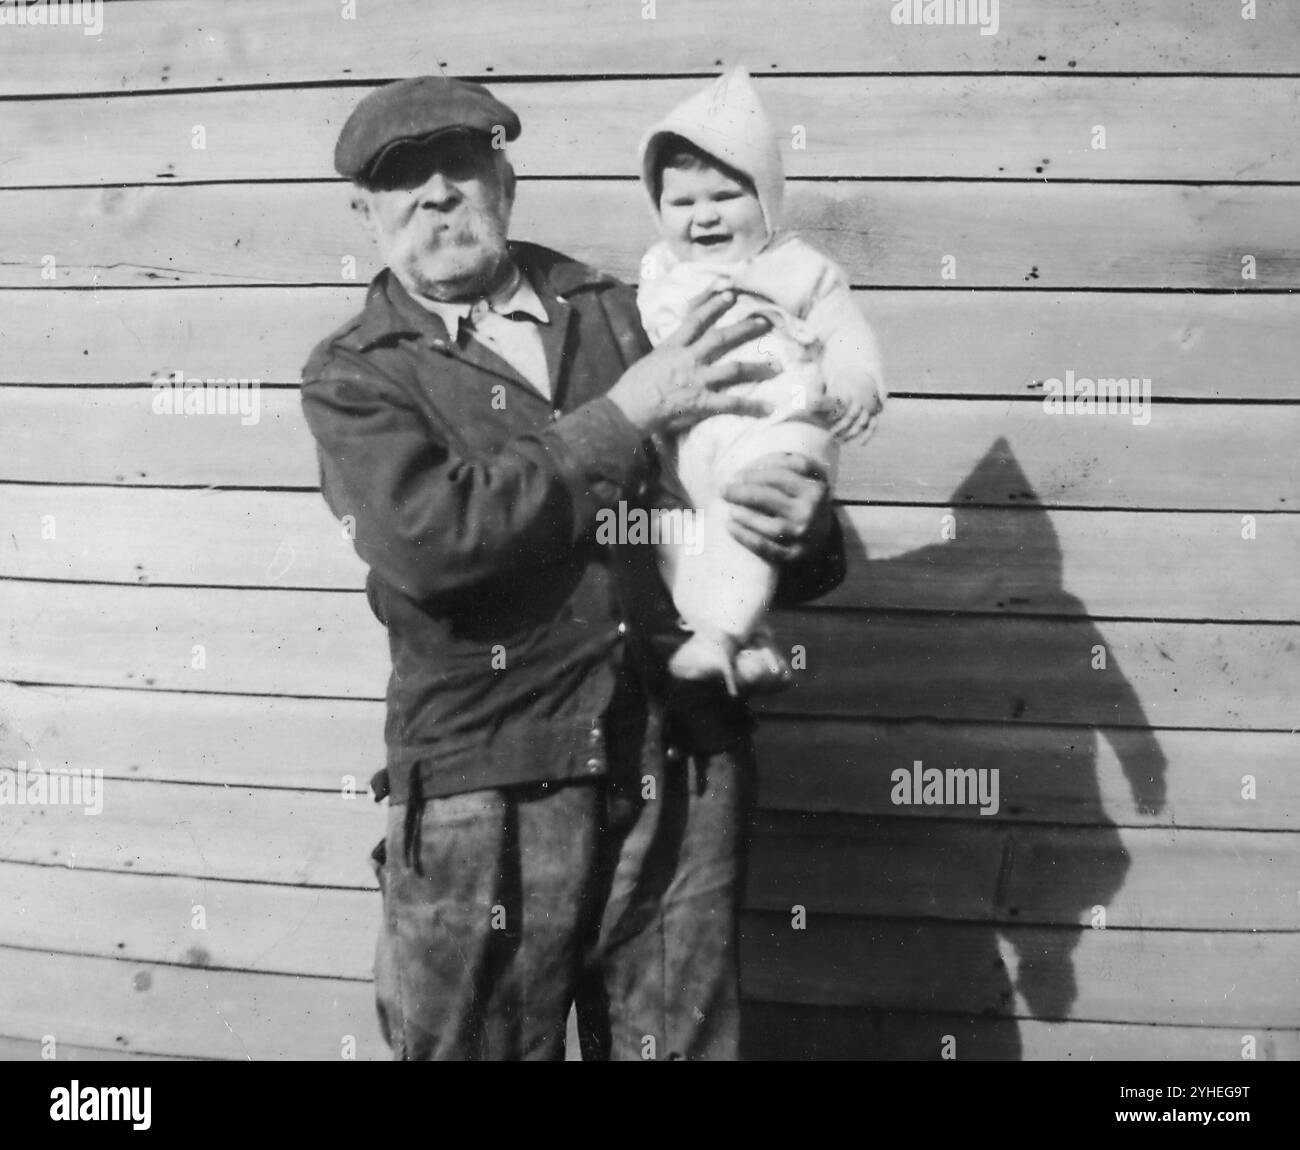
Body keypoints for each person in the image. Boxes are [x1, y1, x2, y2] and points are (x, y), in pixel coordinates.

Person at [300, 75, 848, 1060]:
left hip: (679, 759)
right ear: (365, 211)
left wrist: (802, 522)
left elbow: (753, 452)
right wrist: (626, 415)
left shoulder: (628, 308)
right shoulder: (357, 373)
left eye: (459, 165)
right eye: (402, 179)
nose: (436, 195)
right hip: (489, 783)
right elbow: (433, 542)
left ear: (504, 175)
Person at [637, 68, 886, 694]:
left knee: (748, 514)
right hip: (691, 445)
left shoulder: (797, 267)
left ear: (766, 201)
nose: (704, 218)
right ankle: (747, 640)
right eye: (682, 203)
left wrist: (855, 381)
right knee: (676, 533)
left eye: (725, 197)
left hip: (776, 424)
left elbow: (844, 331)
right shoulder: (657, 274)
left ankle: (720, 637)